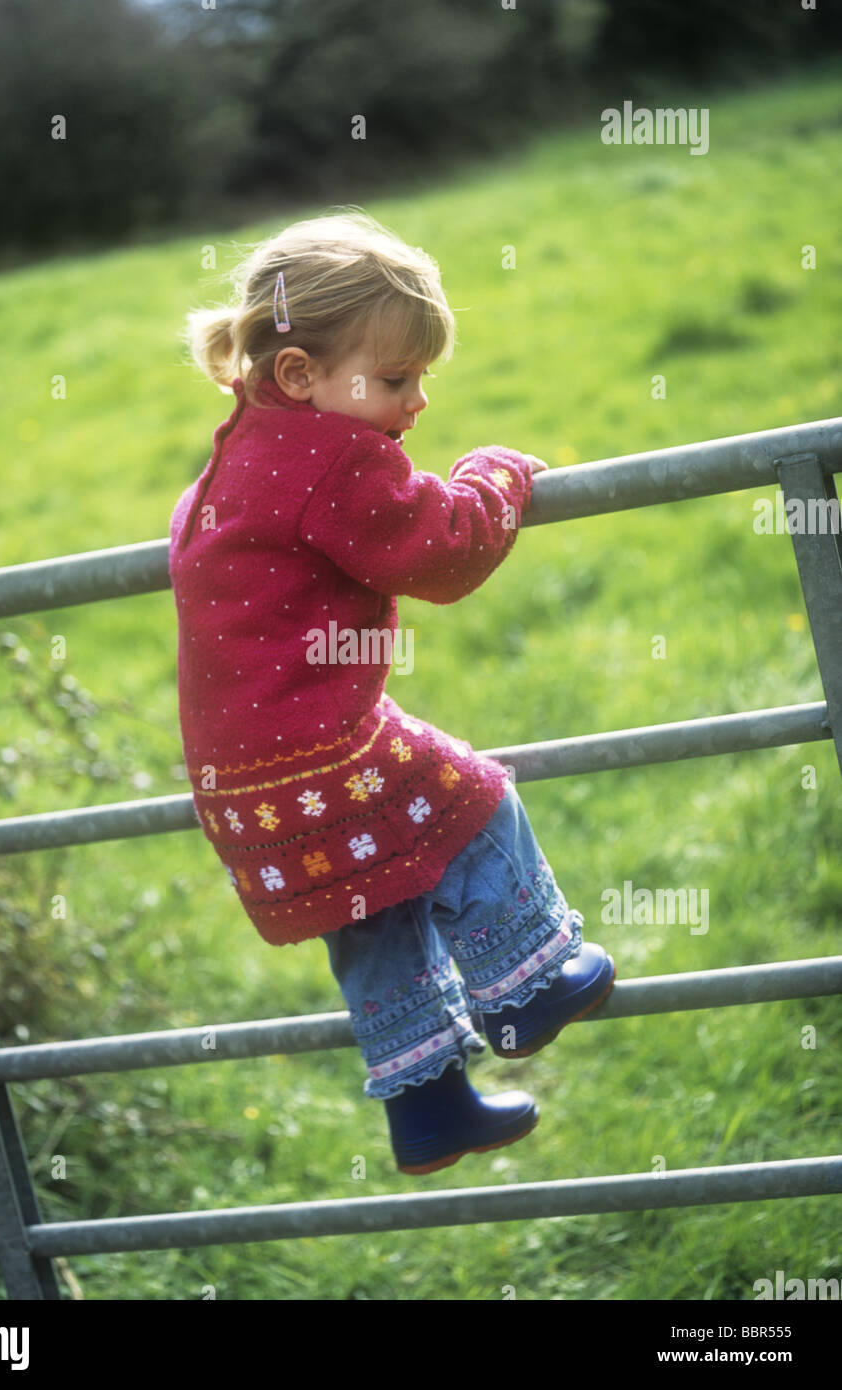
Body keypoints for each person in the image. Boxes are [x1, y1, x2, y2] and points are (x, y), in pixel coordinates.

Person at [169, 208, 615, 1176]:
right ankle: (532, 979)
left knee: (373, 907)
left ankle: (428, 1105)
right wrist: (492, 474)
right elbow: (444, 551)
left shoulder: (234, 455)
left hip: (238, 785)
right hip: (316, 755)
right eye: (397, 379)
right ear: (300, 376)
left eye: (424, 379)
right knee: (477, 798)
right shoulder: (333, 454)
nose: (416, 404)